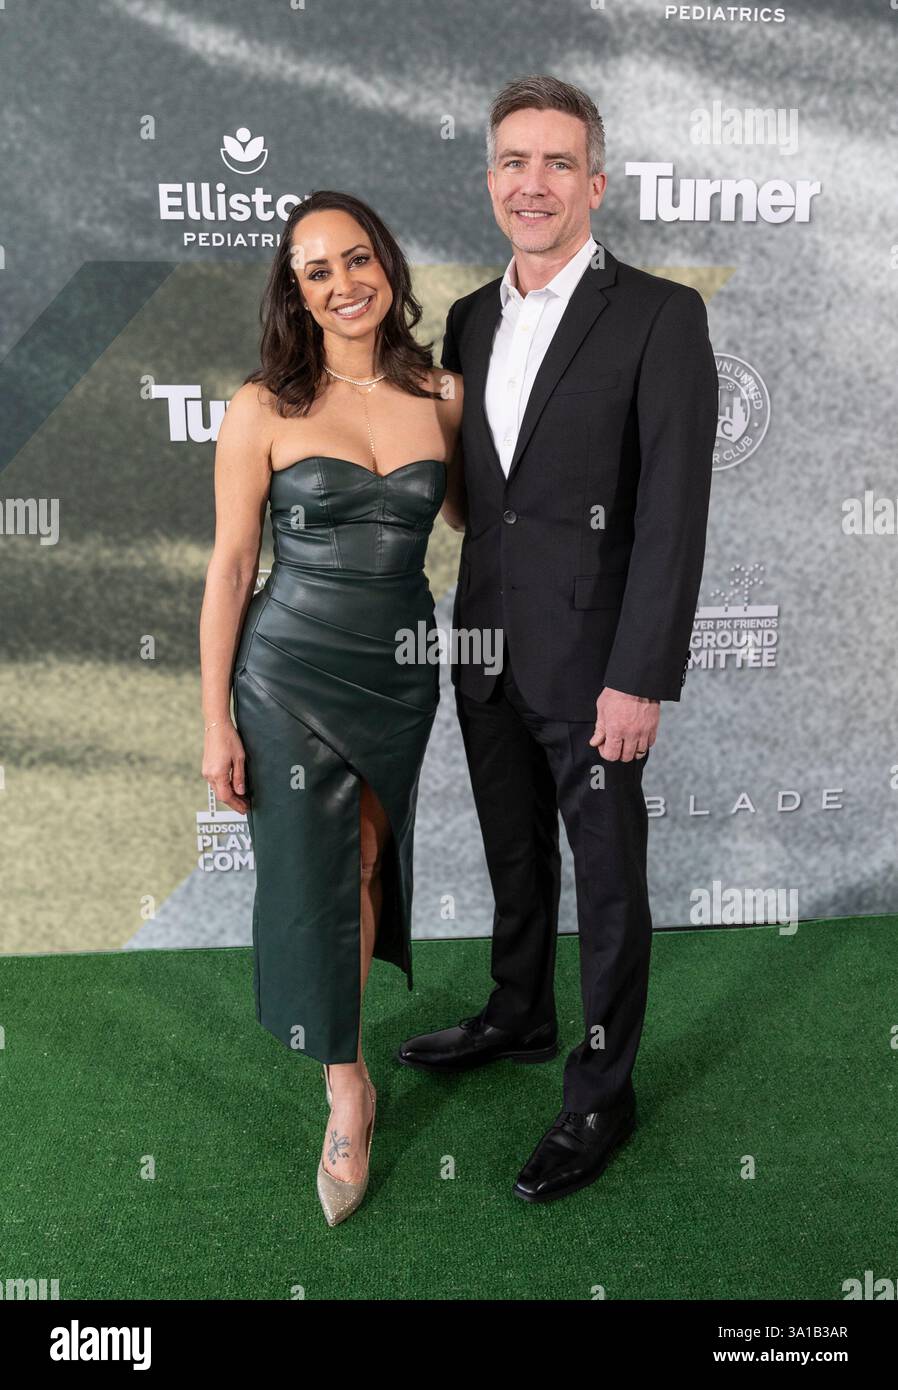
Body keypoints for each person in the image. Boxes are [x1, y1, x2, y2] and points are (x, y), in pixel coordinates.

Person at [398, 75, 719, 1204]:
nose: (531, 183)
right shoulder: (470, 318)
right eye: (512, 162)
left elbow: (673, 513)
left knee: (608, 880)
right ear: (489, 180)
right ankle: (518, 1011)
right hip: (482, 640)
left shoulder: (660, 315)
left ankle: (600, 1093)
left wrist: (641, 675)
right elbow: (486, 494)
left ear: (593, 181)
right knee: (512, 851)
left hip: (596, 666)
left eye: (555, 163)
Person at [199, 191, 465, 1225]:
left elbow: (487, 518)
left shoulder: (439, 389)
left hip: (399, 666)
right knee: (311, 876)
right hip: (285, 670)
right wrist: (214, 718)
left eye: (358, 260)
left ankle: (346, 1053)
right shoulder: (262, 403)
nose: (344, 283)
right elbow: (228, 568)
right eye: (317, 271)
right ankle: (344, 1084)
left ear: (387, 265)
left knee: (363, 858)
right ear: (295, 290)